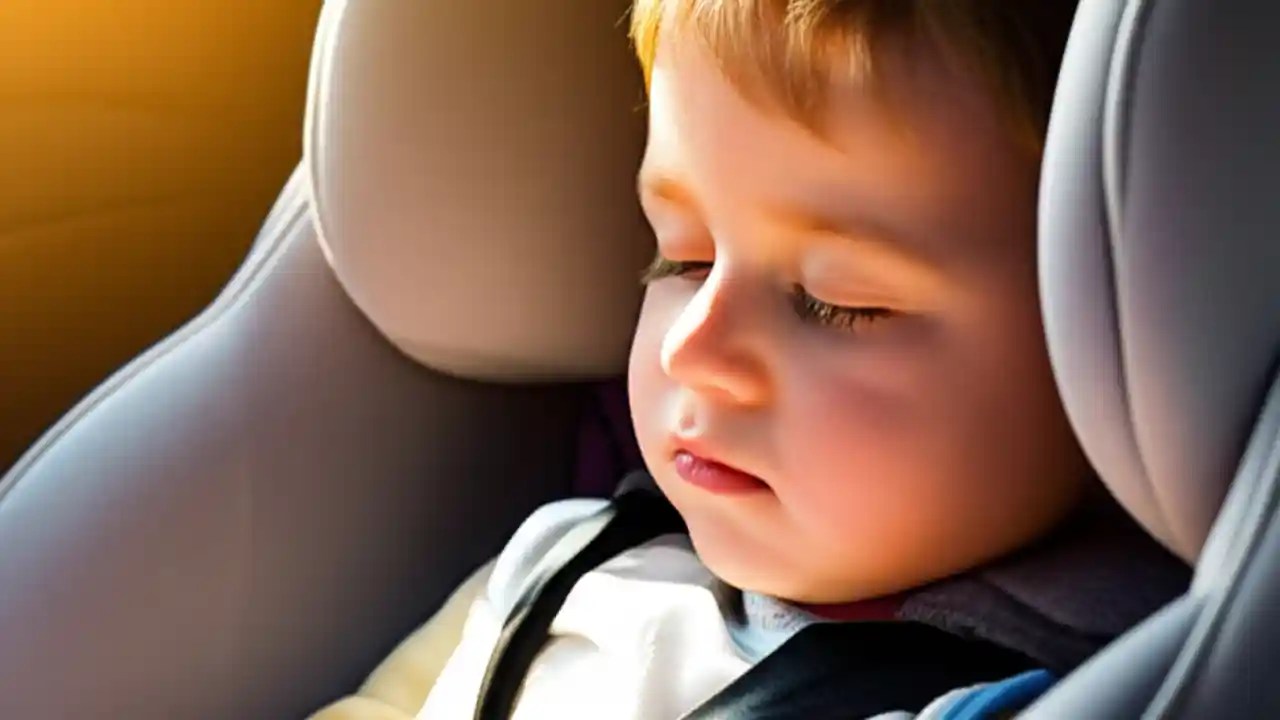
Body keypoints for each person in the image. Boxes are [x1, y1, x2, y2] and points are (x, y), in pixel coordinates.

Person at [312, 1, 1190, 718]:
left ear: (1109, 340)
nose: (693, 346)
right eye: (683, 257)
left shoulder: (1053, 698)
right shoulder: (562, 562)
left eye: (841, 301)